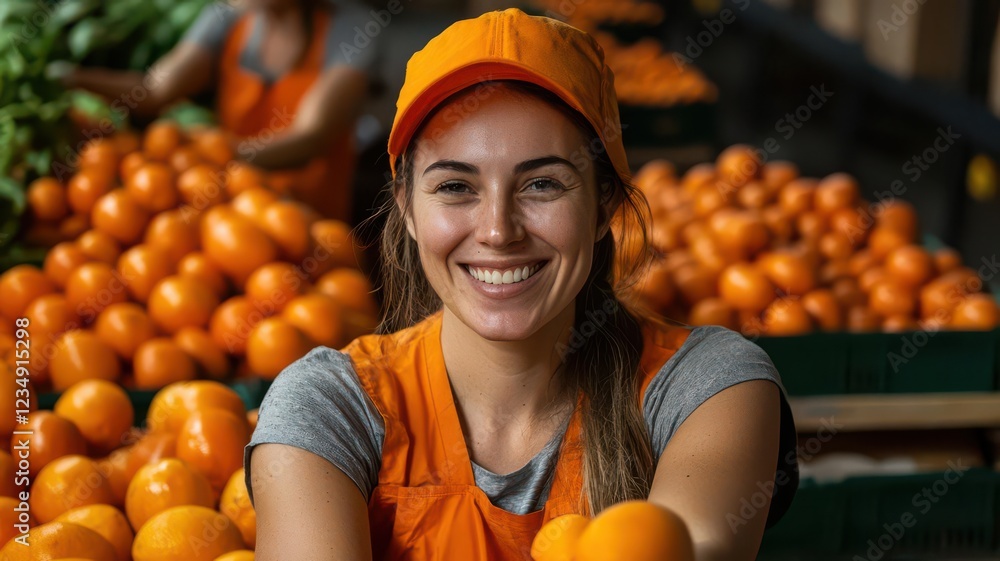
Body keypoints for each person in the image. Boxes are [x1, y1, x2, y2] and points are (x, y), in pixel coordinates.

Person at [245, 8, 798, 561]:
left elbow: (688, 547)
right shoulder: (329, 407)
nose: (497, 231)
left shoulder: (706, 385)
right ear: (407, 208)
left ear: (604, 203)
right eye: (457, 186)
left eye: (541, 183)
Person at [62, 0, 378, 221]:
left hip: (310, 221)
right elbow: (155, 90)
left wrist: (207, 154)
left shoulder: (353, 30)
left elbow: (311, 138)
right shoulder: (226, 19)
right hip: (227, 209)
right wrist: (71, 77)